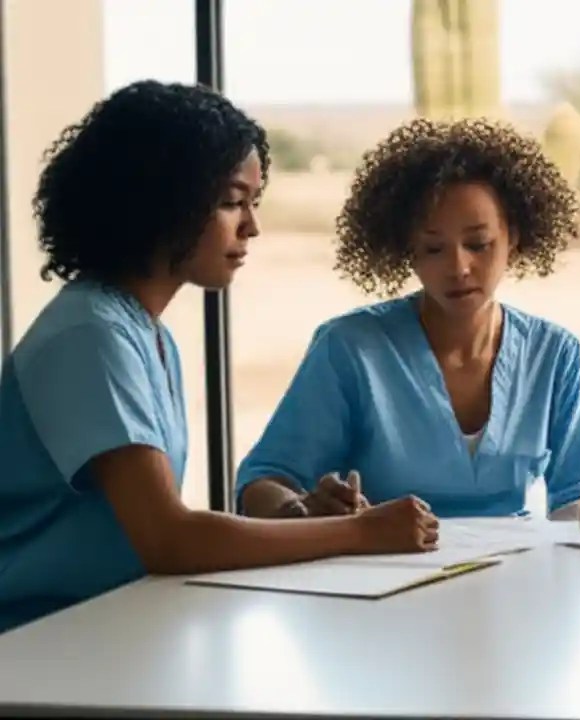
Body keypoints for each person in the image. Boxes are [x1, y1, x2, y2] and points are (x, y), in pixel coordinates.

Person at [0, 81, 434, 634]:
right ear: (161, 202)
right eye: (232, 202)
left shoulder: (145, 334)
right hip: (31, 643)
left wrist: (302, 518)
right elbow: (170, 539)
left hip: (99, 630)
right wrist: (362, 532)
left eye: (253, 203)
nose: (251, 226)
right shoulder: (90, 337)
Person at [236, 117, 580, 521]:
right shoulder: (350, 349)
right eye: (434, 249)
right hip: (383, 560)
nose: (458, 267)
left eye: (478, 244)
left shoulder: (553, 354)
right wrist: (301, 510)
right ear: (407, 250)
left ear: (514, 238)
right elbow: (261, 485)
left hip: (519, 562)